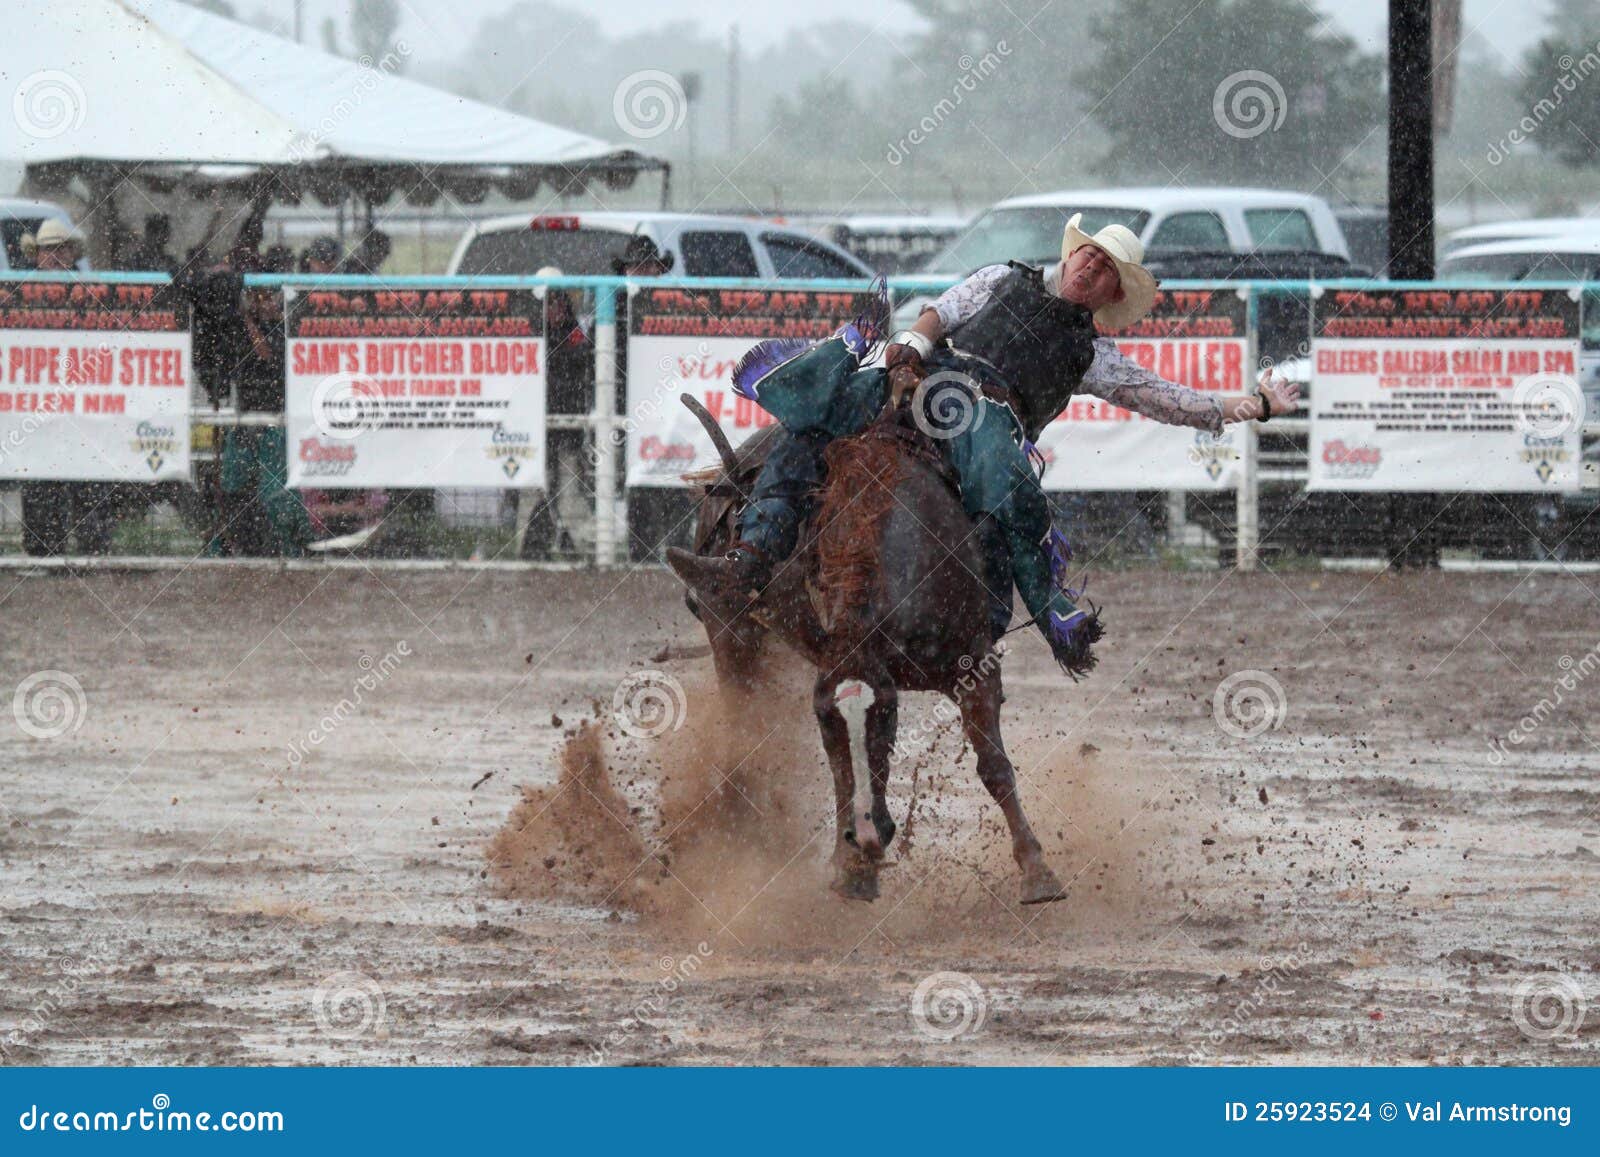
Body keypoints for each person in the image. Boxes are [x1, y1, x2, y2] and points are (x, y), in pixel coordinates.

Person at [671, 215, 1299, 677]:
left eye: (1107, 269)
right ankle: (750, 558)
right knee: (807, 428)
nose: (1092, 267)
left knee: (1009, 497)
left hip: (989, 423)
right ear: (1072, 254)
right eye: (1090, 255)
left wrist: (1259, 405)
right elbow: (942, 312)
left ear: (1112, 296)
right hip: (922, 381)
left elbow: (1174, 400)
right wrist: (913, 345)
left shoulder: (1096, 355)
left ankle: (1033, 613)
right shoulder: (1002, 278)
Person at [519, 266, 595, 559]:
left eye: (559, 300)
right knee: (532, 490)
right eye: (549, 302)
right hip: (533, 429)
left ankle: (585, 549)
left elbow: (578, 370)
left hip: (565, 426)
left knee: (569, 492)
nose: (556, 308)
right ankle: (528, 548)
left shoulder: (573, 334)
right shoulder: (529, 335)